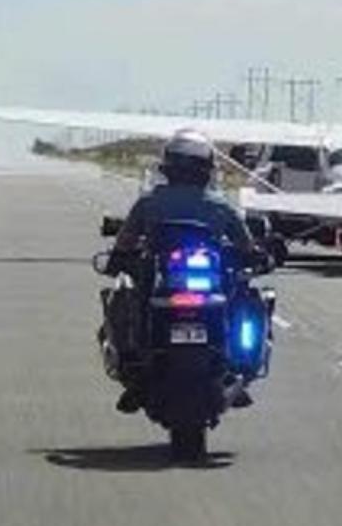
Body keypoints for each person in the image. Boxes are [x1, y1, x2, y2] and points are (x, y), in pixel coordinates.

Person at [106, 130, 265, 413]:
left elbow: (125, 241)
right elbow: (246, 246)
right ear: (207, 169)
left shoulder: (150, 202)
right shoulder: (219, 206)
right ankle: (239, 368)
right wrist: (255, 256)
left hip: (166, 289)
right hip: (195, 289)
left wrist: (118, 258)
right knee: (247, 298)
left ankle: (135, 372)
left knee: (124, 297)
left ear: (168, 166)